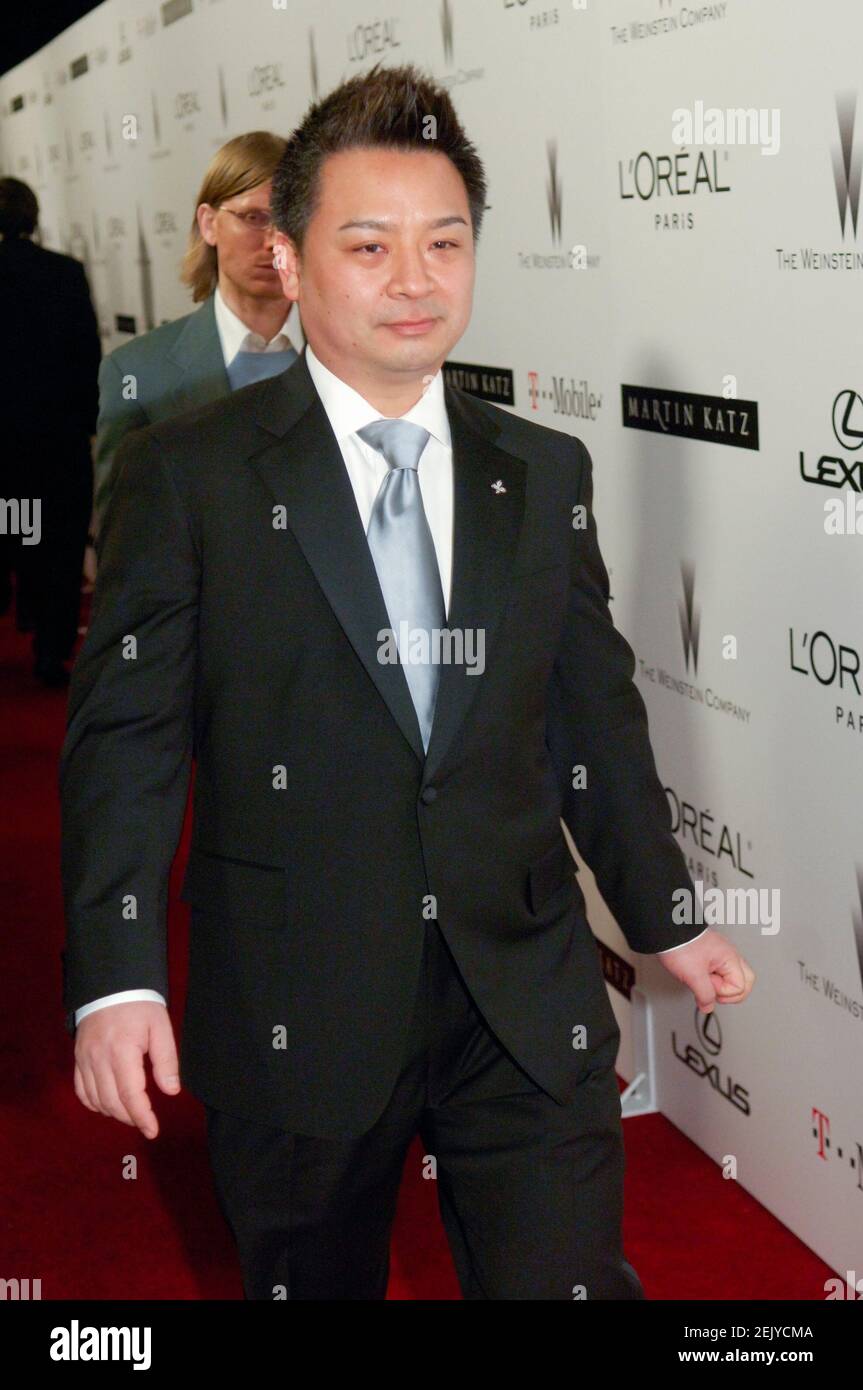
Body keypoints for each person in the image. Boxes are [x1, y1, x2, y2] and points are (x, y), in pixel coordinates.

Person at [60, 62, 755, 1301]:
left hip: (523, 991)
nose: (414, 278)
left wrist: (665, 910)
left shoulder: (541, 470)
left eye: (444, 242)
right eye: (369, 245)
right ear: (284, 254)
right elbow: (127, 737)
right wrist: (117, 972)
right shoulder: (190, 476)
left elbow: (589, 713)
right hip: (295, 997)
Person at [91, 131, 298, 535]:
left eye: (288, 220)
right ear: (209, 223)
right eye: (254, 218)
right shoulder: (137, 374)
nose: (274, 242)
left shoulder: (350, 359)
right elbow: (126, 549)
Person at [0, 178, 101, 686]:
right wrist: (84, 425)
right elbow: (88, 357)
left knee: (11, 534)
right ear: (33, 218)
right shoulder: (64, 273)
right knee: (57, 548)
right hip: (55, 444)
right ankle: (50, 649)